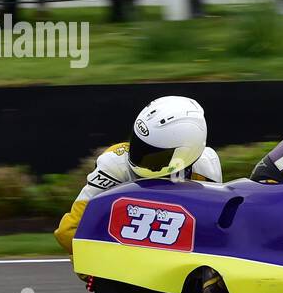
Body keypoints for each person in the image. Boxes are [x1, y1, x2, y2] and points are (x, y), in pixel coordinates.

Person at [54, 96, 223, 254]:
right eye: (138, 146)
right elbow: (68, 231)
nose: (140, 157)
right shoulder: (115, 165)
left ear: (186, 153)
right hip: (121, 258)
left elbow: (216, 231)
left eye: (154, 154)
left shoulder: (205, 169)